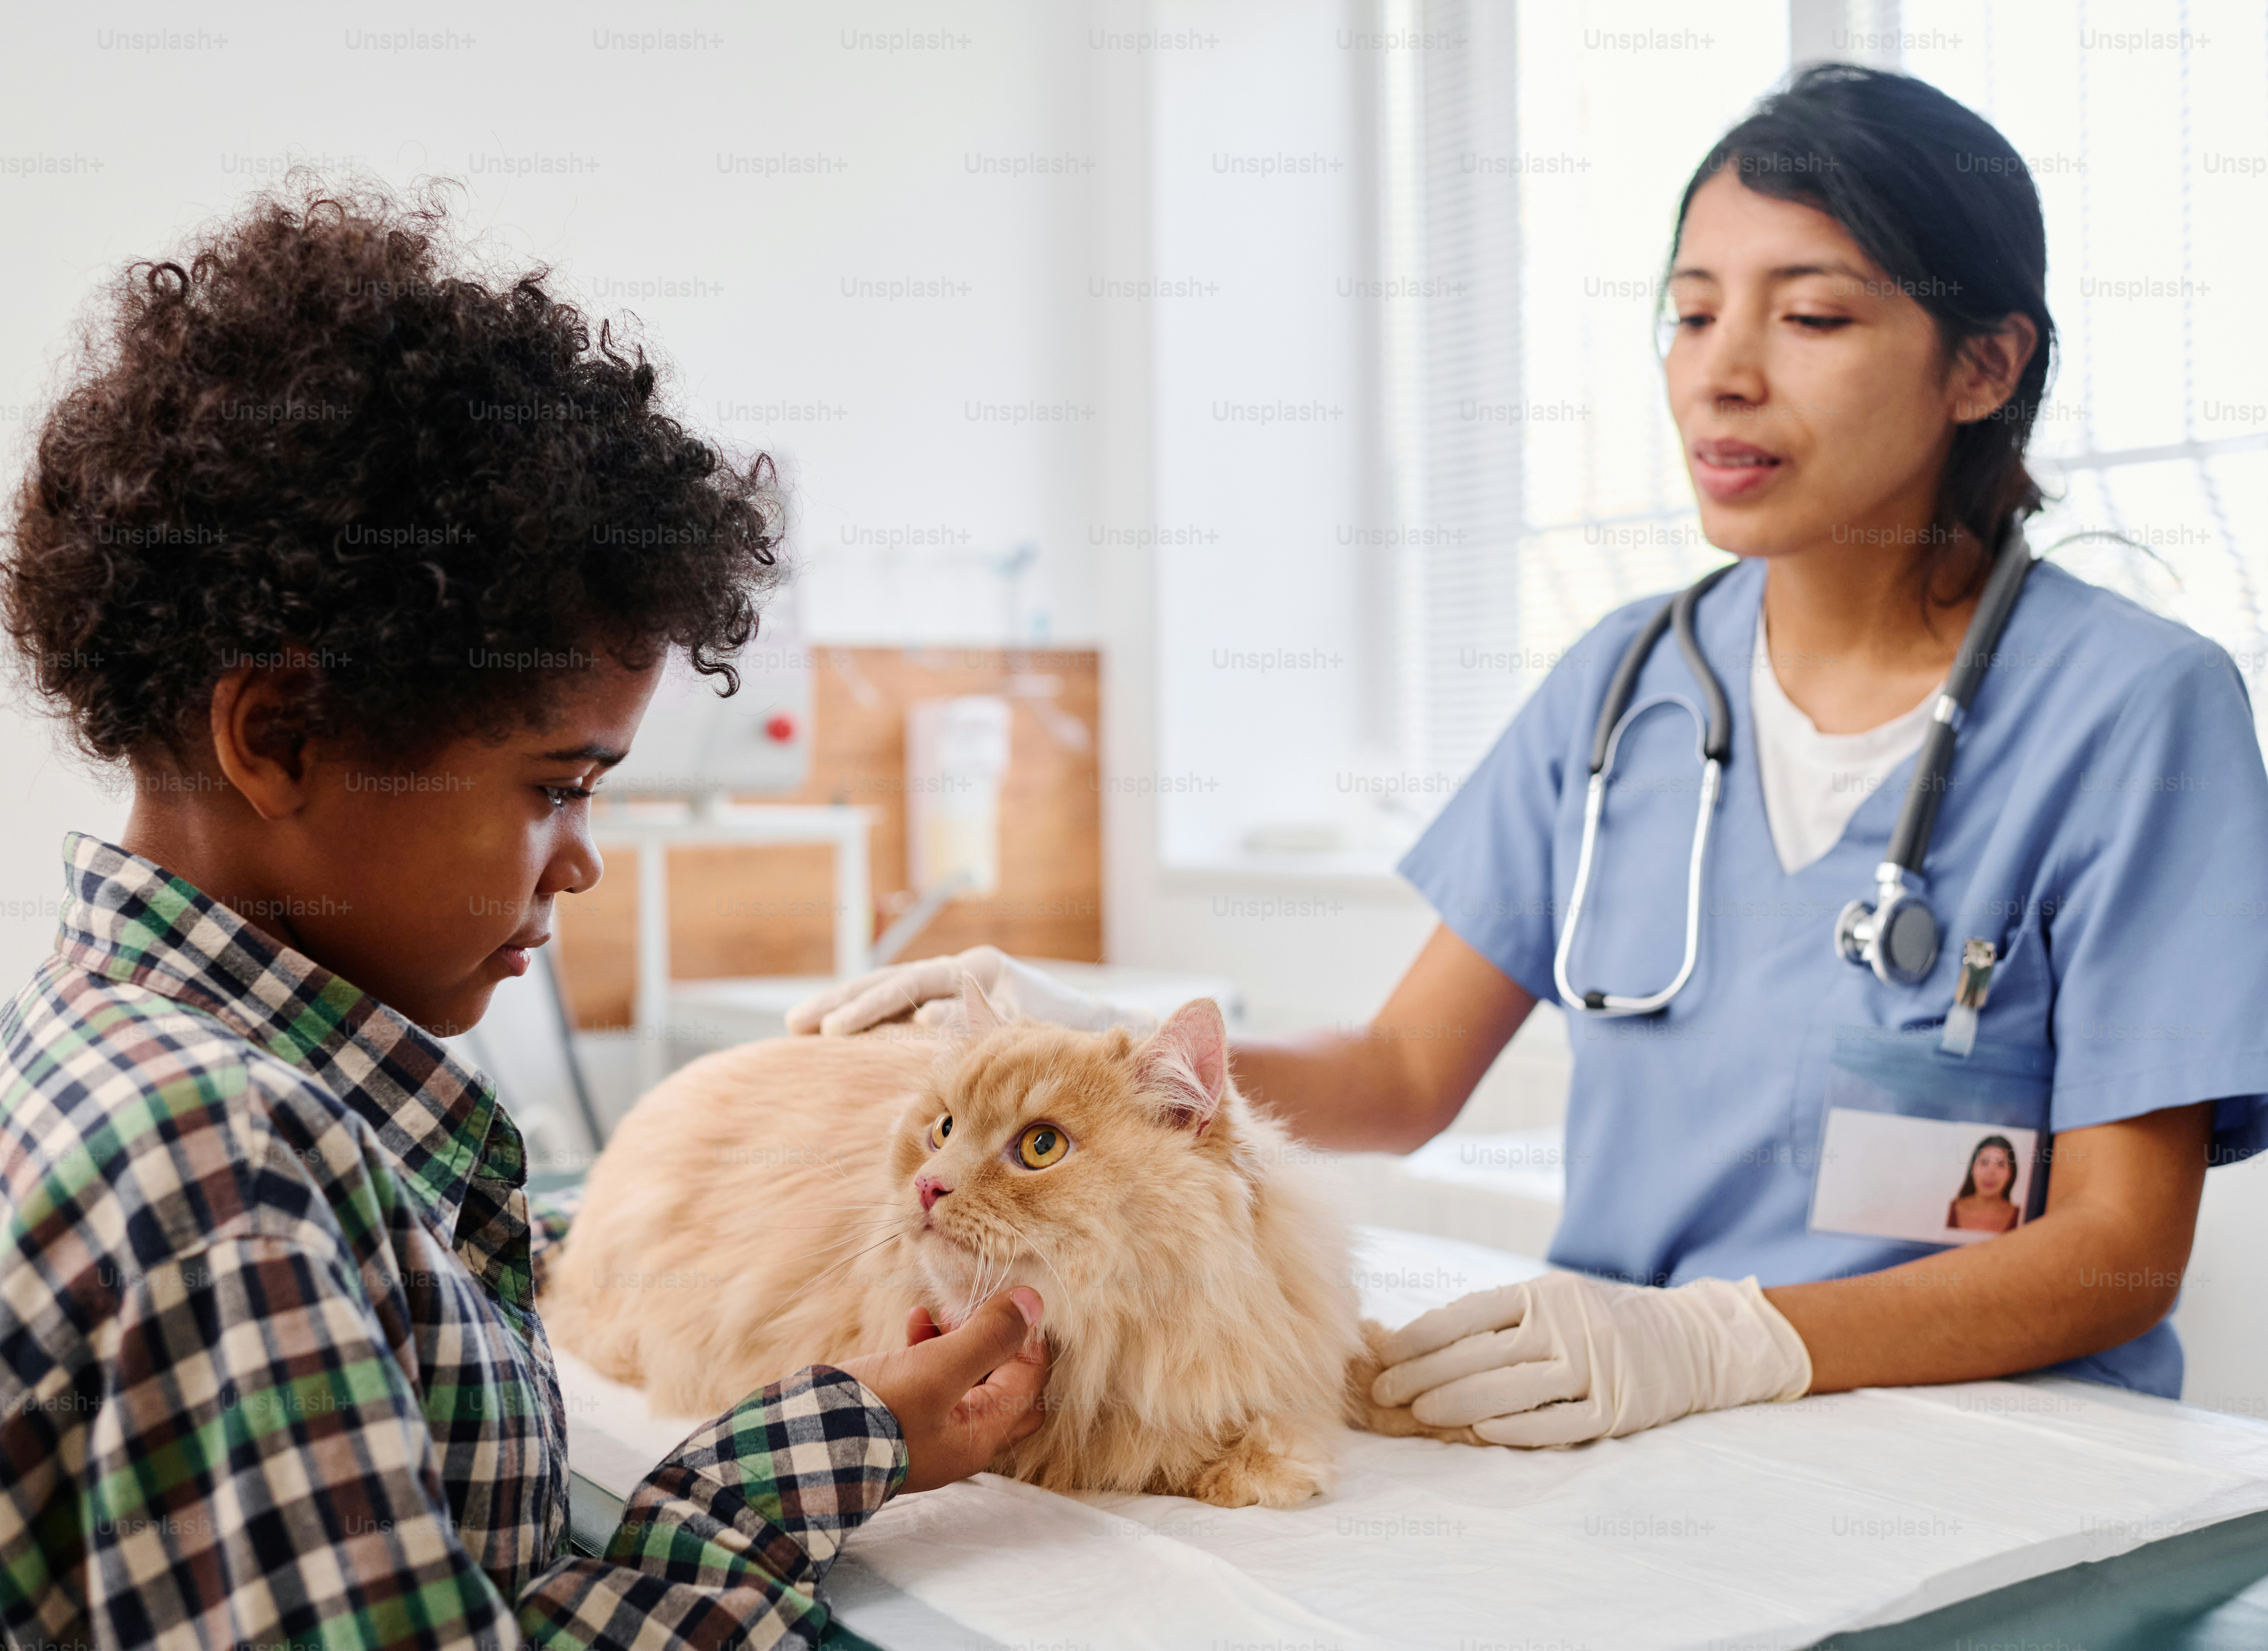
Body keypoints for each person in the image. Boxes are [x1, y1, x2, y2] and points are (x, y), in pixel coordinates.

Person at [791, 66, 2268, 1445]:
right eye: (1690, 316)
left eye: (1809, 318)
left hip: (2002, 1454)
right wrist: (1096, 1042)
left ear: (1983, 365)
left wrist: (1722, 1338)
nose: (1722, 376)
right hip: (1646, 1448)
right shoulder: (1622, 686)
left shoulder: (2136, 710)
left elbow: (2117, 1254)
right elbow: (1395, 1071)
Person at [0, 179, 1047, 1651]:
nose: (578, 860)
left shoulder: (92, 1052)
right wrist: (800, 1467)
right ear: (282, 736)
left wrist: (839, 1421)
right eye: (555, 785)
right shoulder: (221, 1177)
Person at [1948, 1136, 2024, 1234]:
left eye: (2001, 1165)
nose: (1990, 1172)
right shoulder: (1950, 1210)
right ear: (1972, 1168)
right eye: (1984, 1163)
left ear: (2011, 1174)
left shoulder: (2022, 1216)